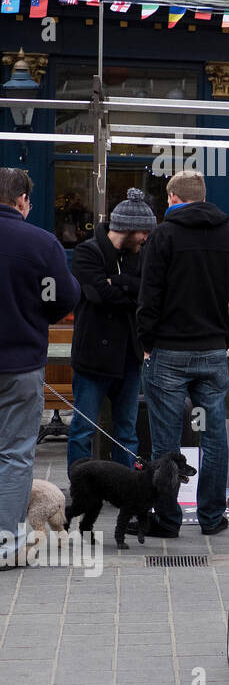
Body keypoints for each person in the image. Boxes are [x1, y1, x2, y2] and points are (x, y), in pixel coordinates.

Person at [137, 170, 229, 538]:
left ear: (173, 197)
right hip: (211, 353)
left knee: (166, 440)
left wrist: (147, 340)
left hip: (168, 353)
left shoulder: (162, 236)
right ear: (203, 197)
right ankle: (211, 516)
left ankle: (168, 519)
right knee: (213, 435)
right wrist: (227, 336)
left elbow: (149, 296)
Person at [0, 168, 79, 566]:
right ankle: (5, 547)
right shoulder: (41, 243)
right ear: (22, 201)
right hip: (20, 365)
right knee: (14, 454)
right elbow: (65, 297)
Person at [67, 188, 156, 473]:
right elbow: (96, 294)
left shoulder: (138, 255)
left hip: (128, 358)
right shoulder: (86, 251)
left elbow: (145, 292)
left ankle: (126, 488)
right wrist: (126, 286)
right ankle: (80, 484)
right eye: (143, 233)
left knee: (127, 432)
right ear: (129, 229)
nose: (145, 239)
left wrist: (115, 282)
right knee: (83, 429)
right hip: (92, 357)